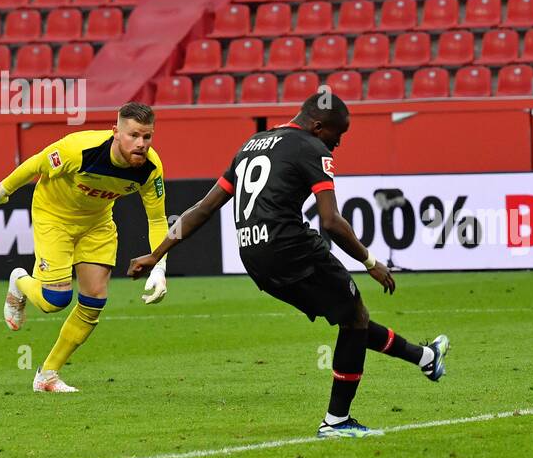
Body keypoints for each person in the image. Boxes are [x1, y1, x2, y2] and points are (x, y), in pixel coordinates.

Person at [128, 91, 448, 437]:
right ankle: (337, 421)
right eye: (337, 135)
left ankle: (424, 358)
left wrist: (156, 253)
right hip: (292, 248)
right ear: (317, 125)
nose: (337, 144)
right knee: (354, 317)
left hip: (254, 258)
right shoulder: (312, 148)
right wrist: (370, 261)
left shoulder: (251, 145)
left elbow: (203, 209)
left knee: (351, 317)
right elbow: (330, 221)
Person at [0, 102, 169, 392]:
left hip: (97, 223)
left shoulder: (150, 169)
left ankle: (47, 375)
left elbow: (157, 219)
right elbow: (36, 163)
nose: (141, 144)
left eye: (147, 137)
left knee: (94, 299)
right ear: (116, 132)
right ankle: (19, 281)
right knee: (54, 301)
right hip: (54, 217)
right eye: (133, 135)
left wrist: (160, 265)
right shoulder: (80, 149)